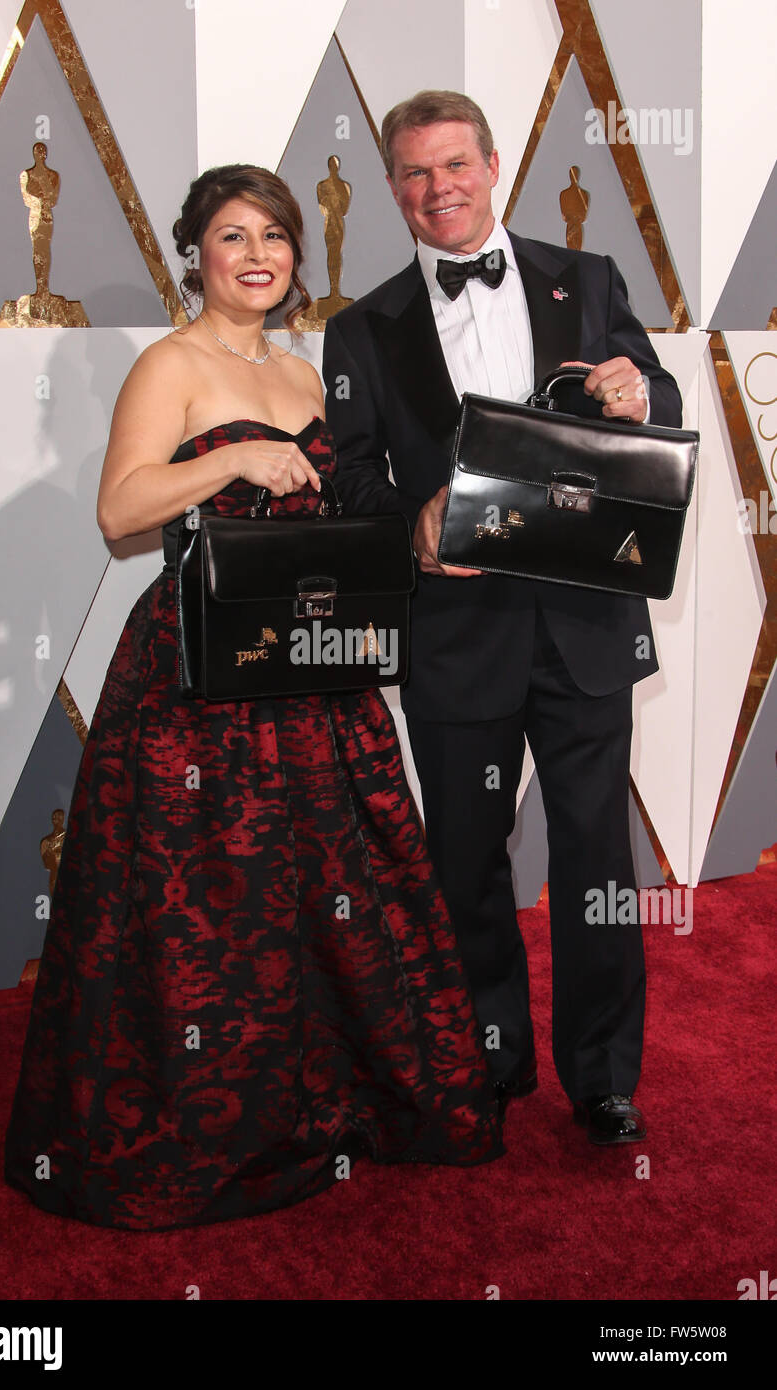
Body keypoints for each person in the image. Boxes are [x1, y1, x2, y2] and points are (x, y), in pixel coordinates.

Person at [4, 164, 502, 1231]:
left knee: (319, 885)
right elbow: (122, 507)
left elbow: (335, 499)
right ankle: (212, 1120)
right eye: (232, 236)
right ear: (198, 256)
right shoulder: (168, 365)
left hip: (308, 662)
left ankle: (320, 1097)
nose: (257, 254)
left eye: (273, 236)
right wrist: (232, 453)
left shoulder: (305, 369)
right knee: (208, 897)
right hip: (196, 666)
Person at [322, 91, 684, 1146]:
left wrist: (640, 395)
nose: (437, 188)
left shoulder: (590, 279)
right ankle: (484, 1064)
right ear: (392, 187)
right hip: (454, 630)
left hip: (581, 622)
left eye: (454, 165)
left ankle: (603, 1079)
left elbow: (652, 395)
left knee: (595, 863)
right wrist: (412, 521)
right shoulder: (361, 326)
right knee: (463, 864)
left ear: (491, 166)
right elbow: (345, 484)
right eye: (414, 173)